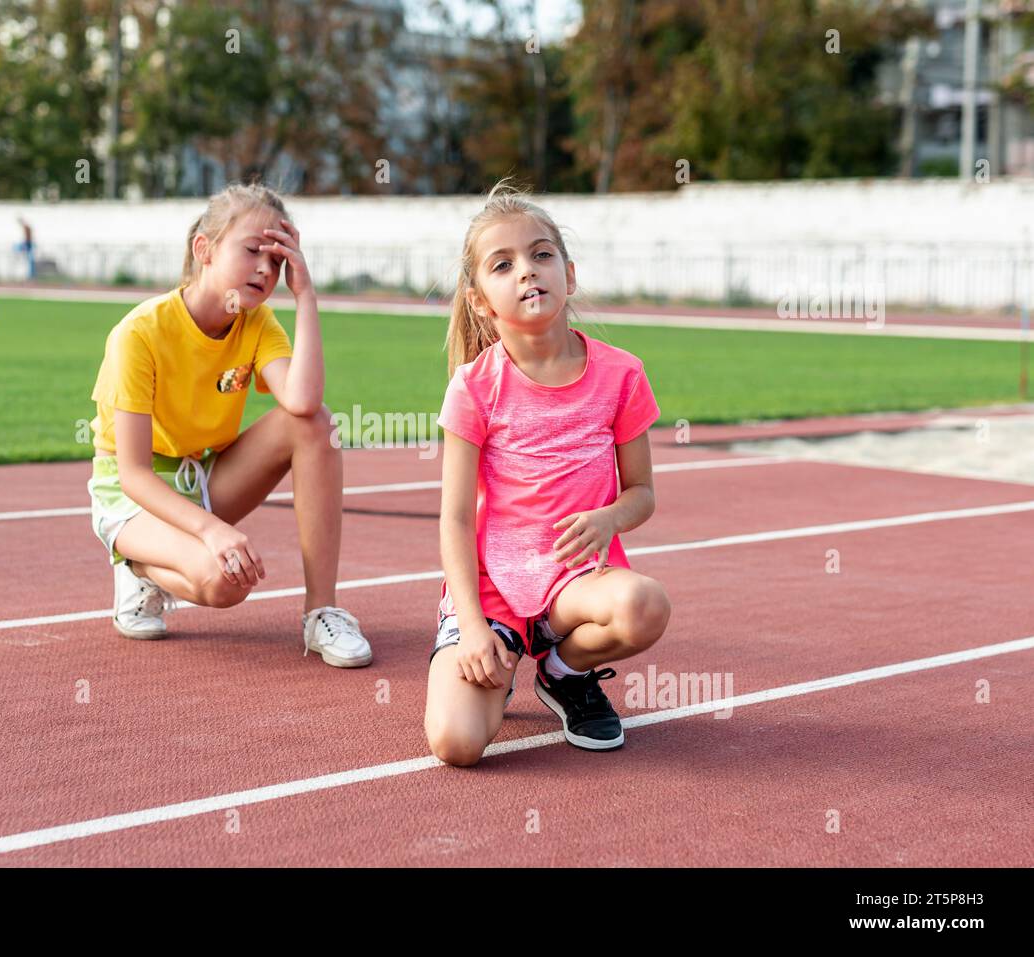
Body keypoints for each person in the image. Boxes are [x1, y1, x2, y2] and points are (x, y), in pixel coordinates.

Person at [424, 181, 672, 764]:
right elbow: (455, 520)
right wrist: (472, 624)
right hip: (492, 592)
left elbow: (643, 494)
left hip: (575, 584)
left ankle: (562, 671)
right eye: (503, 264)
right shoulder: (474, 387)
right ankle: (502, 656)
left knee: (645, 606)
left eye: (541, 255)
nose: (528, 272)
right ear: (482, 300)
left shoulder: (623, 375)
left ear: (570, 273)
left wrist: (610, 516)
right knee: (457, 743)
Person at [85, 182, 372, 667]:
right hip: (133, 495)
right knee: (225, 583)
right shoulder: (139, 333)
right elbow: (132, 474)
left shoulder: (258, 325)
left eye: (278, 261)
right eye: (253, 251)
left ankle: (322, 610)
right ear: (206, 249)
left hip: (203, 477)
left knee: (315, 424)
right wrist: (214, 532)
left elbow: (303, 401)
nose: (266, 269)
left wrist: (306, 299)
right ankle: (137, 565)